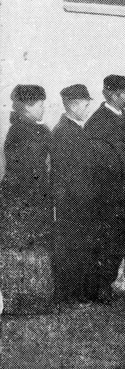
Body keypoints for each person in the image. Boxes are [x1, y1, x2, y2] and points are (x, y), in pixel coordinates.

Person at [84, 75, 125, 301]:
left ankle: (105, 284)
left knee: (118, 240)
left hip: (124, 196)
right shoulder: (98, 123)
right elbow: (95, 167)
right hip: (106, 198)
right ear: (111, 94)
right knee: (104, 240)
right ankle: (99, 286)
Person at [50, 84, 100, 302]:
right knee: (72, 247)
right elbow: (67, 172)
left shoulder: (73, 129)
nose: (88, 108)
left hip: (78, 199)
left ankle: (76, 293)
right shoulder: (65, 132)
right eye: (86, 104)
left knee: (78, 247)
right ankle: (71, 294)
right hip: (73, 201)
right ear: (73, 105)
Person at [1, 85, 53, 251]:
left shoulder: (32, 129)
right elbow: (30, 172)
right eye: (40, 105)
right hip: (24, 205)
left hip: (29, 202)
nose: (44, 108)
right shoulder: (22, 132)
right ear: (28, 107)